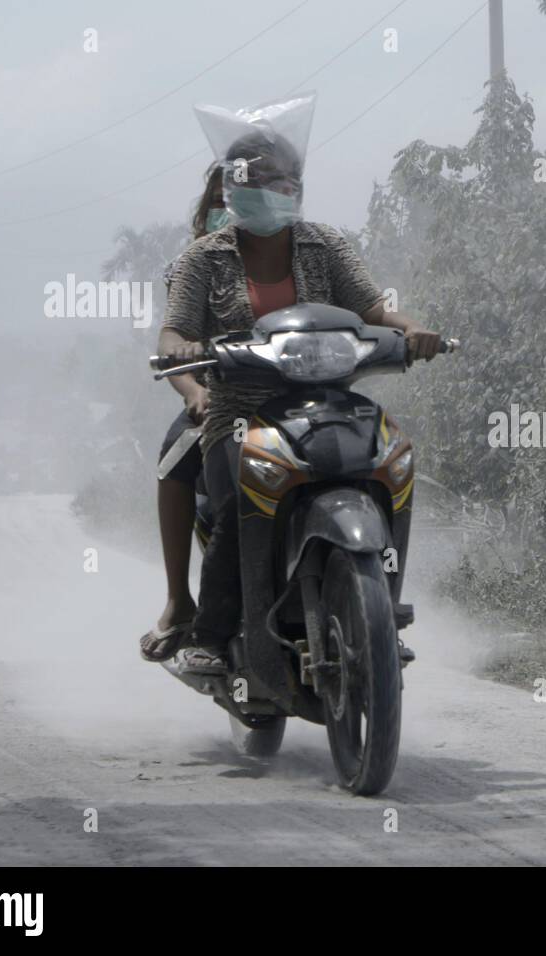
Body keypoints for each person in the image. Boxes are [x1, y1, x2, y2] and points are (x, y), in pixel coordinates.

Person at [157, 129, 440, 675]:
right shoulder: (203, 258)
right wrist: (184, 352)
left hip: (328, 400)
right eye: (259, 180)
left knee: (388, 469)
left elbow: (375, 310)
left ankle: (381, 610)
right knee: (242, 499)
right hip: (238, 410)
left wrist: (416, 329)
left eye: (284, 178)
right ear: (233, 190)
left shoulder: (326, 244)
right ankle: (211, 637)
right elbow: (172, 336)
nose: (273, 188)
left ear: (299, 186)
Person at [138, 163, 231, 662]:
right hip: (221, 396)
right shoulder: (194, 264)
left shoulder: (303, 255)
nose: (230, 209)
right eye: (220, 200)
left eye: (241, 196)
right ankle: (180, 600)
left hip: (298, 393)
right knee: (174, 461)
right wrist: (195, 391)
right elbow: (173, 343)